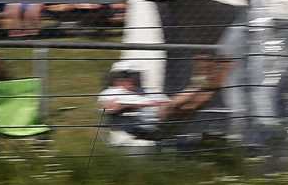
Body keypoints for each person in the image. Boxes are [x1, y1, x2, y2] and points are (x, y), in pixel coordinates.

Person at [98, 56, 229, 145]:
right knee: (174, 107)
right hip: (144, 127)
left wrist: (152, 103)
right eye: (125, 77)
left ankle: (217, 76)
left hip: (163, 123)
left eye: (132, 76)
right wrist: (136, 105)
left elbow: (164, 101)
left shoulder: (146, 91)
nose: (131, 80)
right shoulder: (111, 92)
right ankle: (202, 80)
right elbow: (111, 106)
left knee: (193, 105)